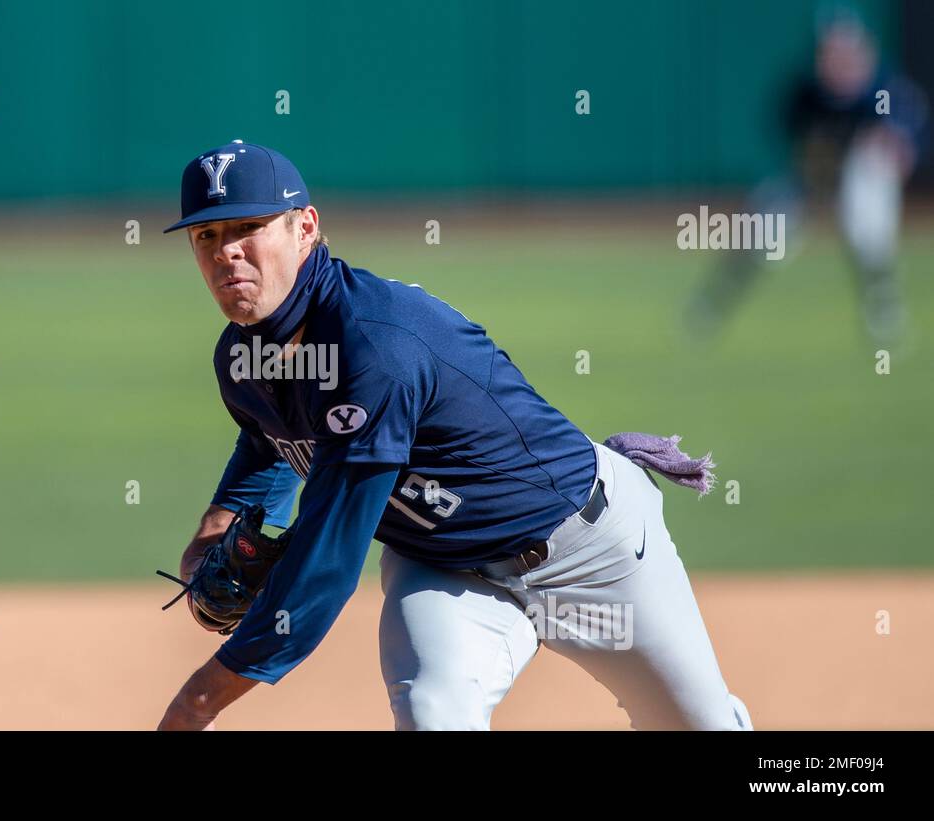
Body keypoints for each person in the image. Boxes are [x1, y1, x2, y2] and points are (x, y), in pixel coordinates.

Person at [157, 140, 752, 731]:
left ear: (305, 228)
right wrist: (215, 526)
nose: (226, 251)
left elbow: (326, 563)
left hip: (591, 551)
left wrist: (199, 703)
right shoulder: (242, 356)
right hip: (446, 570)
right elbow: (271, 441)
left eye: (247, 226)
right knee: (434, 716)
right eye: (205, 236)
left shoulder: (373, 348)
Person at [687, 14, 928, 346]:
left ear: (864, 54)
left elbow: (902, 144)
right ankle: (711, 307)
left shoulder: (884, 90)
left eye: (846, 53)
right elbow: (794, 141)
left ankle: (884, 316)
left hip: (863, 173)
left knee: (868, 226)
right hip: (814, 172)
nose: (838, 62)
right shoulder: (805, 92)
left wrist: (890, 149)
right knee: (760, 229)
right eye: (830, 54)